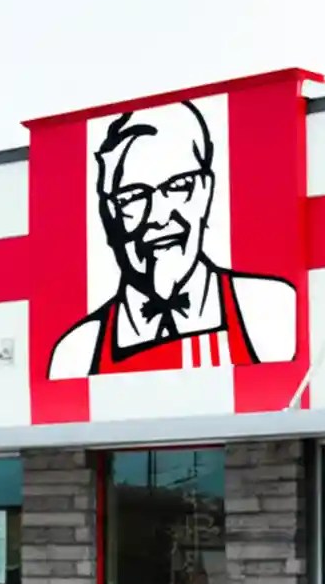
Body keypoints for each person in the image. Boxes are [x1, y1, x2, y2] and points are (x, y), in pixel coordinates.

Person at [47, 100, 296, 378]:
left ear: (206, 192)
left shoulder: (270, 308)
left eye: (178, 187)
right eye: (133, 197)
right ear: (108, 215)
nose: (159, 216)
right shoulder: (78, 353)